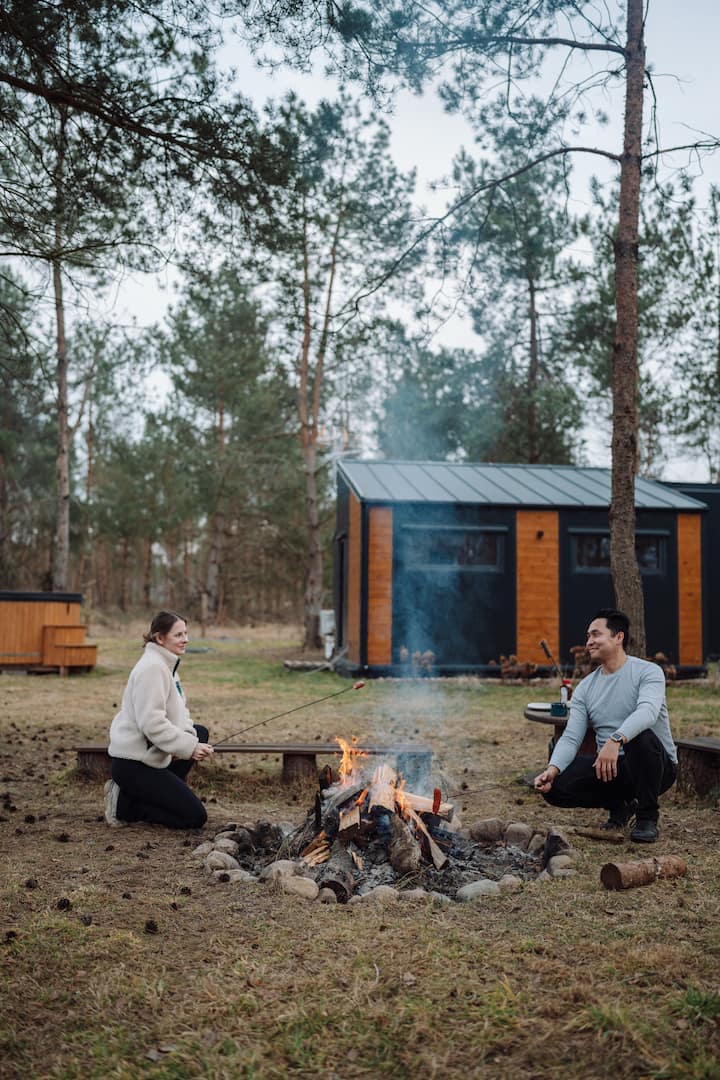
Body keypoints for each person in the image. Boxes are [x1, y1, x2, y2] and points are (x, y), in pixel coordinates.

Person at [533, 608, 677, 843]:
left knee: (641, 738)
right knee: (556, 785)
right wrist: (553, 768)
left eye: (596, 635)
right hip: (610, 768)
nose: (589, 642)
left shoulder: (648, 672)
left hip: (656, 766)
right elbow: (571, 737)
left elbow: (647, 712)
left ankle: (647, 818)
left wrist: (616, 739)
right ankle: (619, 806)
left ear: (618, 637)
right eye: (588, 636)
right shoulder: (586, 687)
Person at [104, 611, 214, 828]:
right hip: (134, 762)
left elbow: (180, 713)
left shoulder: (166, 663)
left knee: (199, 732)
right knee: (194, 817)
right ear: (160, 638)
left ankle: (150, 793)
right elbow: (152, 724)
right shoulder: (152, 668)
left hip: (152, 753)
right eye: (178, 635)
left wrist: (190, 742)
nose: (186, 639)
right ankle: (124, 806)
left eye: (186, 633)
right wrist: (188, 748)